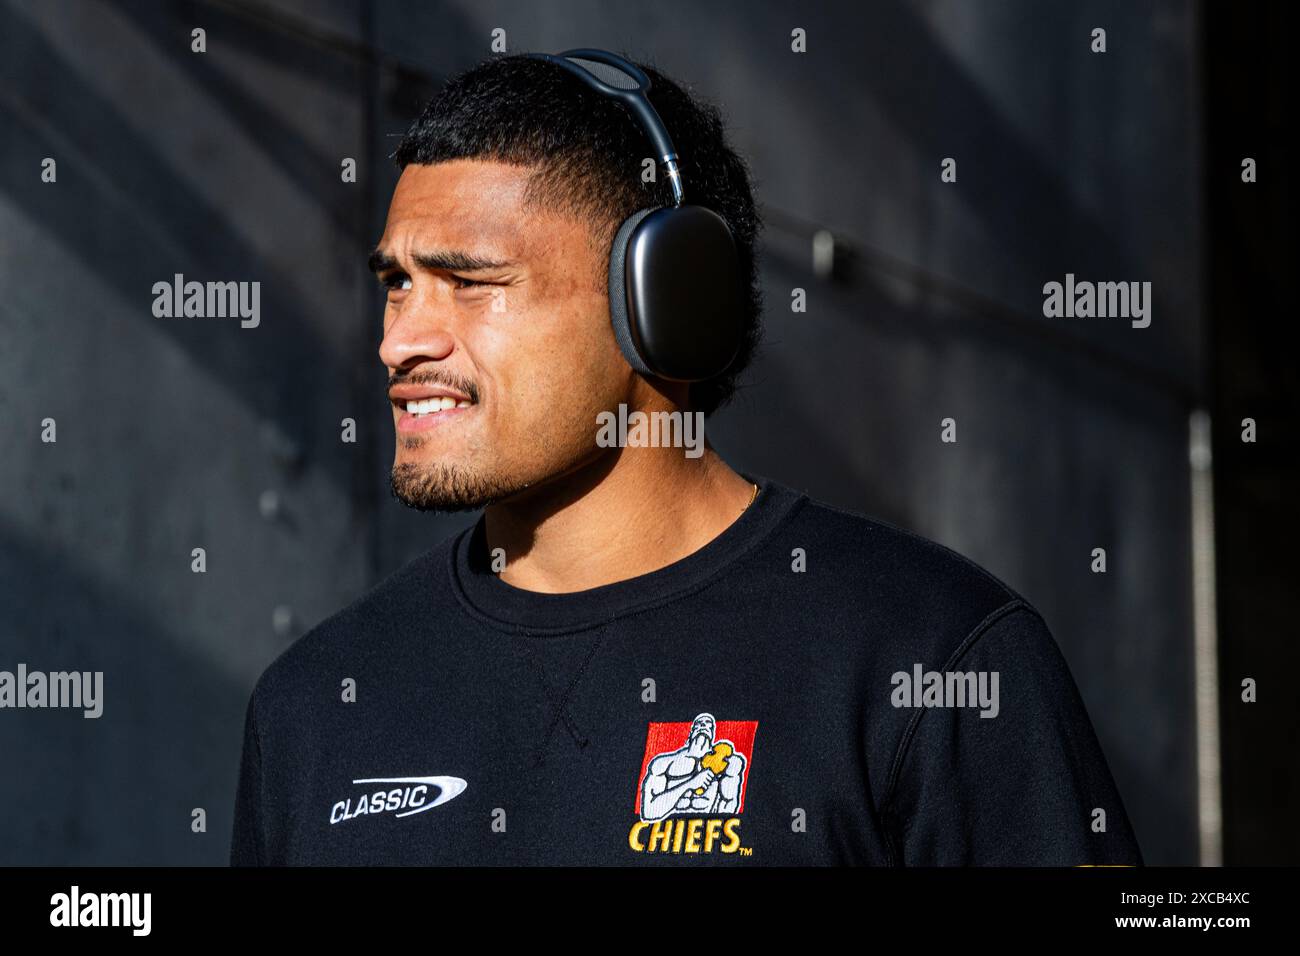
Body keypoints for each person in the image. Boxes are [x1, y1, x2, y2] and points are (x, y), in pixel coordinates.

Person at [230, 51, 1142, 866]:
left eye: (470, 283)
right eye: (398, 284)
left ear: (665, 300)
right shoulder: (316, 704)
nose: (399, 342)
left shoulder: (931, 656)